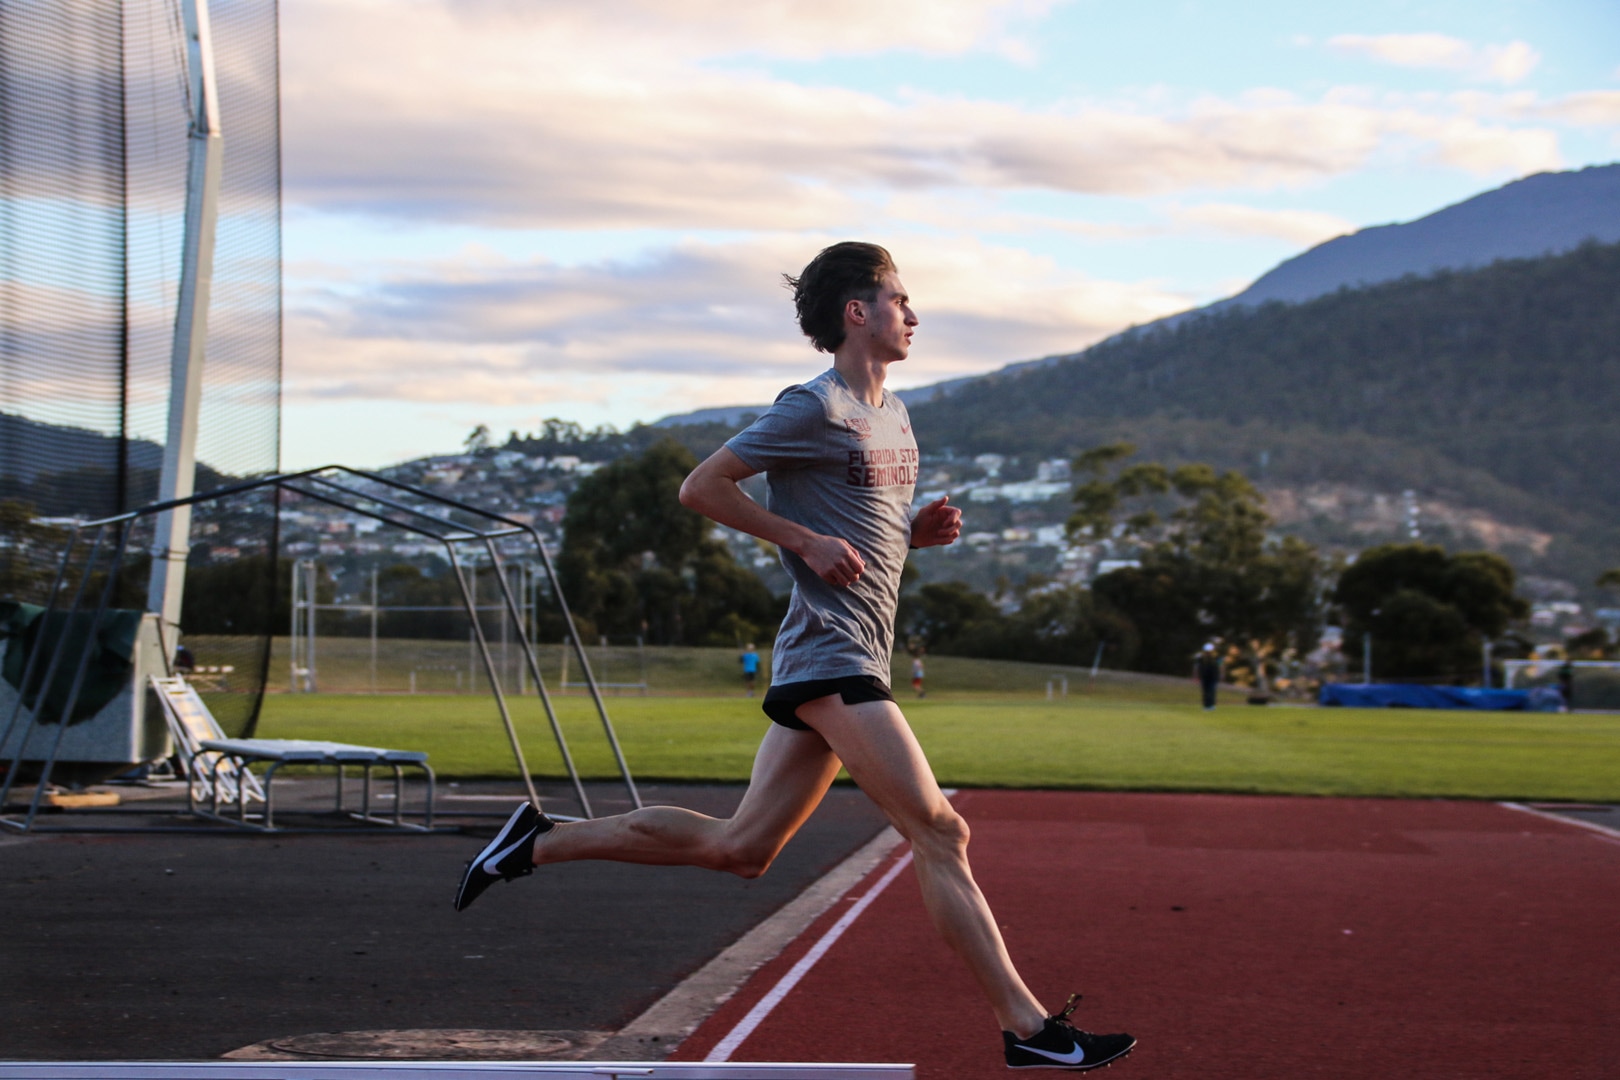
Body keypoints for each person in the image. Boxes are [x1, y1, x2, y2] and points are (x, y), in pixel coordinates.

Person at [454, 242, 1135, 1071]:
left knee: (741, 850)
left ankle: (535, 842)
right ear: (858, 312)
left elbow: (863, 531)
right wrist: (803, 539)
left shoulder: (895, 412)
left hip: (853, 654)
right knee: (941, 830)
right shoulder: (809, 407)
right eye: (900, 299)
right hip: (830, 654)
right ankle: (1028, 1031)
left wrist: (910, 533)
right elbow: (702, 487)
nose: (914, 315)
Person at [1195, 643, 1221, 710]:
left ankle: (1211, 705)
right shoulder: (1201, 658)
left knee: (1212, 691)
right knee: (1205, 691)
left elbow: (1220, 666)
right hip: (1204, 677)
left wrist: (1220, 675)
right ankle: (1206, 705)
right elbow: (1197, 667)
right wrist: (1197, 676)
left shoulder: (1216, 657)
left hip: (1213, 677)